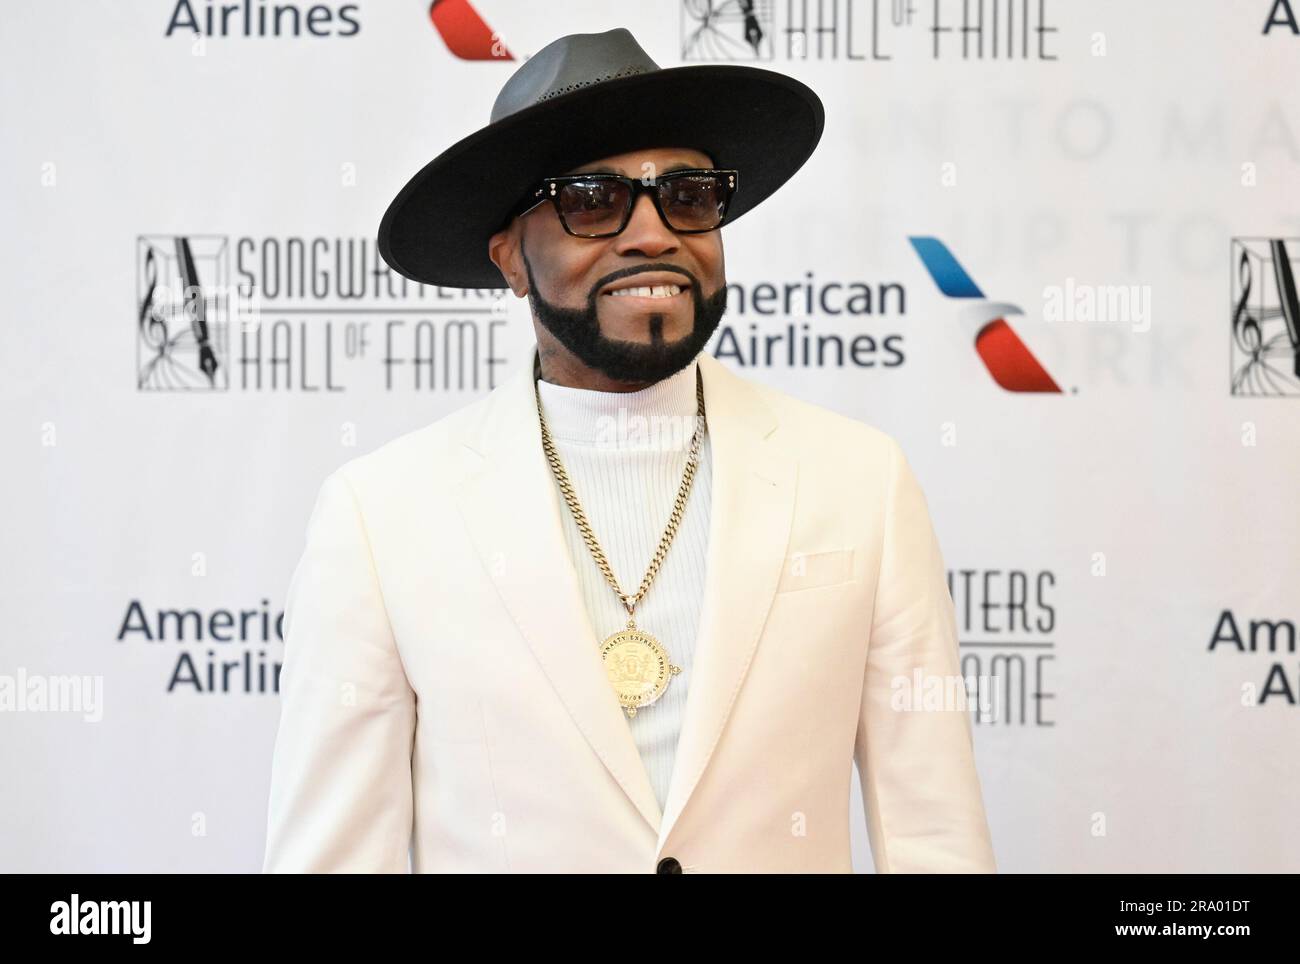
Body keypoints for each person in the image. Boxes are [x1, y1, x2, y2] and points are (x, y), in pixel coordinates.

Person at [262, 27, 996, 874]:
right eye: (591, 199)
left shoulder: (861, 480)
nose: (652, 234)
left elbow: (934, 834)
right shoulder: (381, 515)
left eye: (687, 196)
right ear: (509, 258)